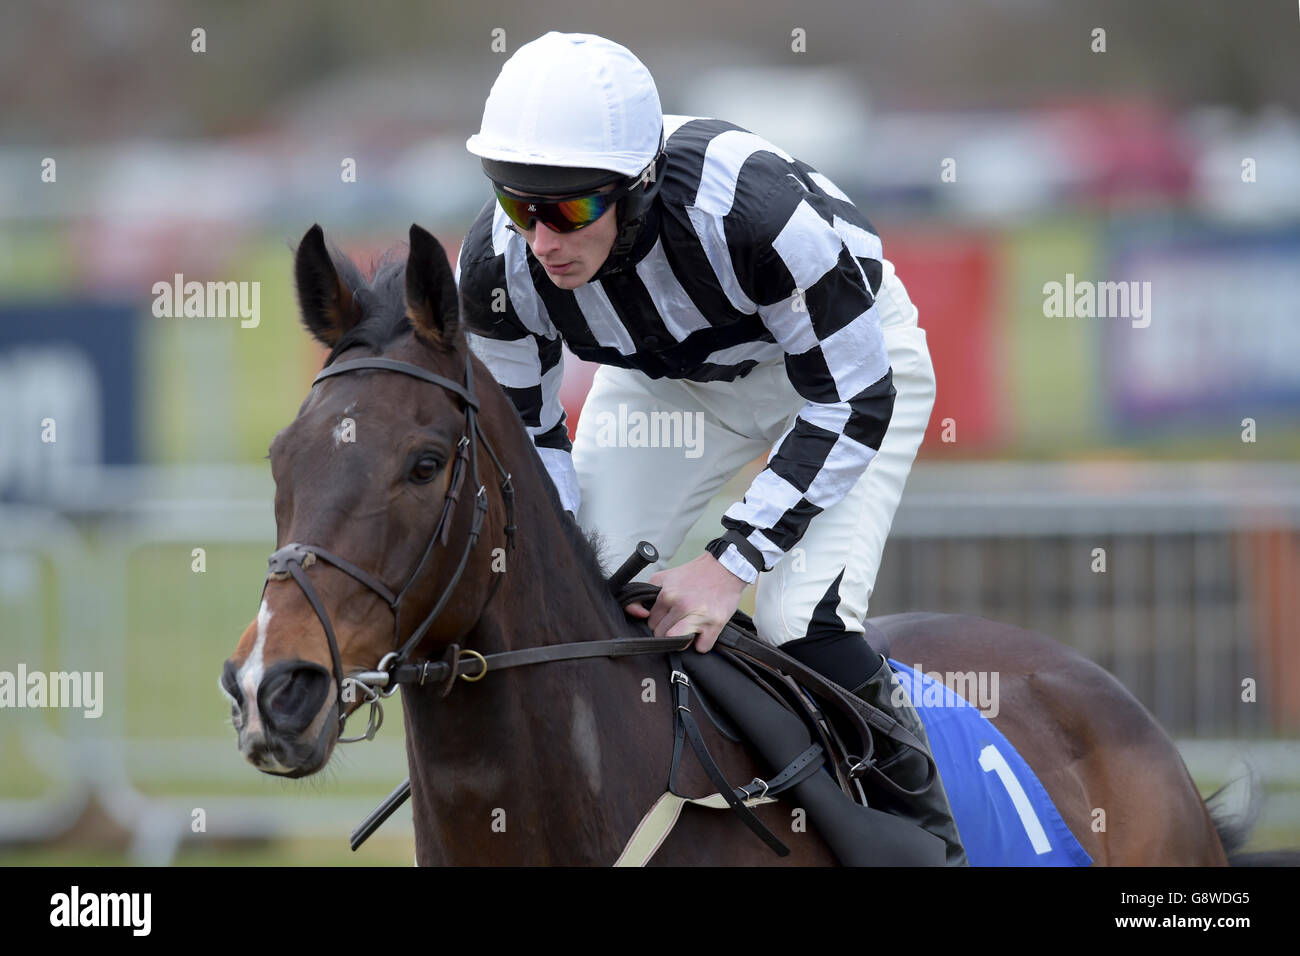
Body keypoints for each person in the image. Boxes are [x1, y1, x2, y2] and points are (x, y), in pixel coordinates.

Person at [456, 30, 965, 865]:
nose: (542, 239)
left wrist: (728, 563)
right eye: (517, 204)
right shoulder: (498, 267)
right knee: (577, 597)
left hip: (842, 377)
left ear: (640, 187)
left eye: (571, 208)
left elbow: (853, 395)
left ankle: (929, 847)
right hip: (669, 389)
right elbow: (532, 443)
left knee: (802, 619)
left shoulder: (757, 214)